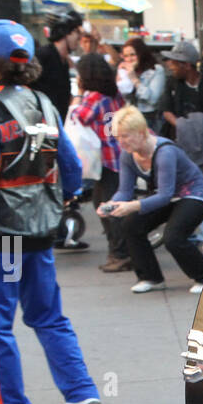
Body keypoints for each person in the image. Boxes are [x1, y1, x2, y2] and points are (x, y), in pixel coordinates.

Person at [0, 19, 101, 404]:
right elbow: (72, 166)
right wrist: (63, 198)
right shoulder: (43, 101)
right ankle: (80, 392)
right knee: (47, 316)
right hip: (41, 228)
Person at [98, 105, 203, 294]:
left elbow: (164, 195)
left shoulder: (164, 152)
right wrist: (111, 204)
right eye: (118, 137)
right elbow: (125, 191)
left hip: (194, 194)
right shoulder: (128, 155)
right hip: (168, 196)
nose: (122, 142)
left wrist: (133, 205)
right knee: (131, 225)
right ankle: (151, 278)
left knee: (174, 237)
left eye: (126, 136)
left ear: (142, 133)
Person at [160, 39, 203, 263]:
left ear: (187, 64)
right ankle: (191, 235)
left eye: (175, 62)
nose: (171, 66)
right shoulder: (172, 84)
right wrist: (183, 126)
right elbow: (165, 110)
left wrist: (196, 129)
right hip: (178, 145)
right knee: (181, 192)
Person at [69, 53, 127, 272]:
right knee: (108, 204)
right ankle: (119, 252)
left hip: (102, 159)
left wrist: (77, 96)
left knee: (106, 207)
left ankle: (119, 254)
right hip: (118, 155)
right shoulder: (114, 94)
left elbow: (78, 117)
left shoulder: (92, 96)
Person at [35, 8, 82, 120]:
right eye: (76, 32)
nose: (79, 37)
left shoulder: (64, 61)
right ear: (65, 32)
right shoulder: (43, 55)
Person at [117, 35, 166, 131]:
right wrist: (121, 77)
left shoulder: (156, 70)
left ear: (141, 54)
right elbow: (121, 97)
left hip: (149, 119)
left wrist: (134, 79)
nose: (129, 59)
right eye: (126, 56)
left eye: (133, 55)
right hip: (129, 118)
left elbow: (153, 99)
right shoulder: (125, 70)